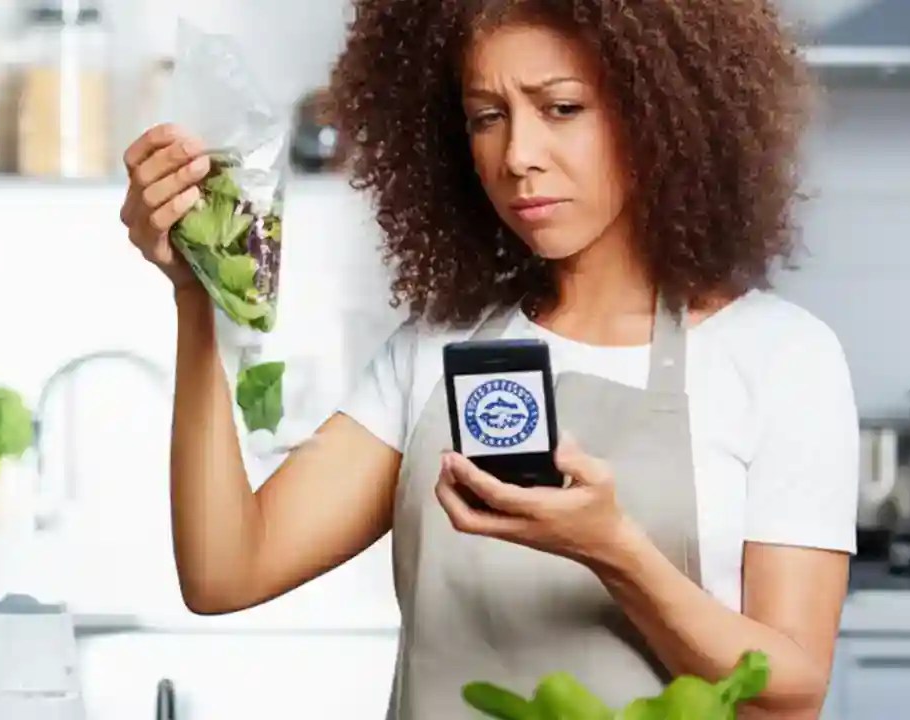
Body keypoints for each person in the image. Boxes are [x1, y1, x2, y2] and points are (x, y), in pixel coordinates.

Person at [118, 1, 858, 717]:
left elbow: (788, 694)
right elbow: (225, 571)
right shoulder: (434, 348)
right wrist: (199, 292)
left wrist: (615, 552)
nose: (518, 157)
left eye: (562, 108)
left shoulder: (778, 357)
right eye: (487, 117)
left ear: (658, 112)